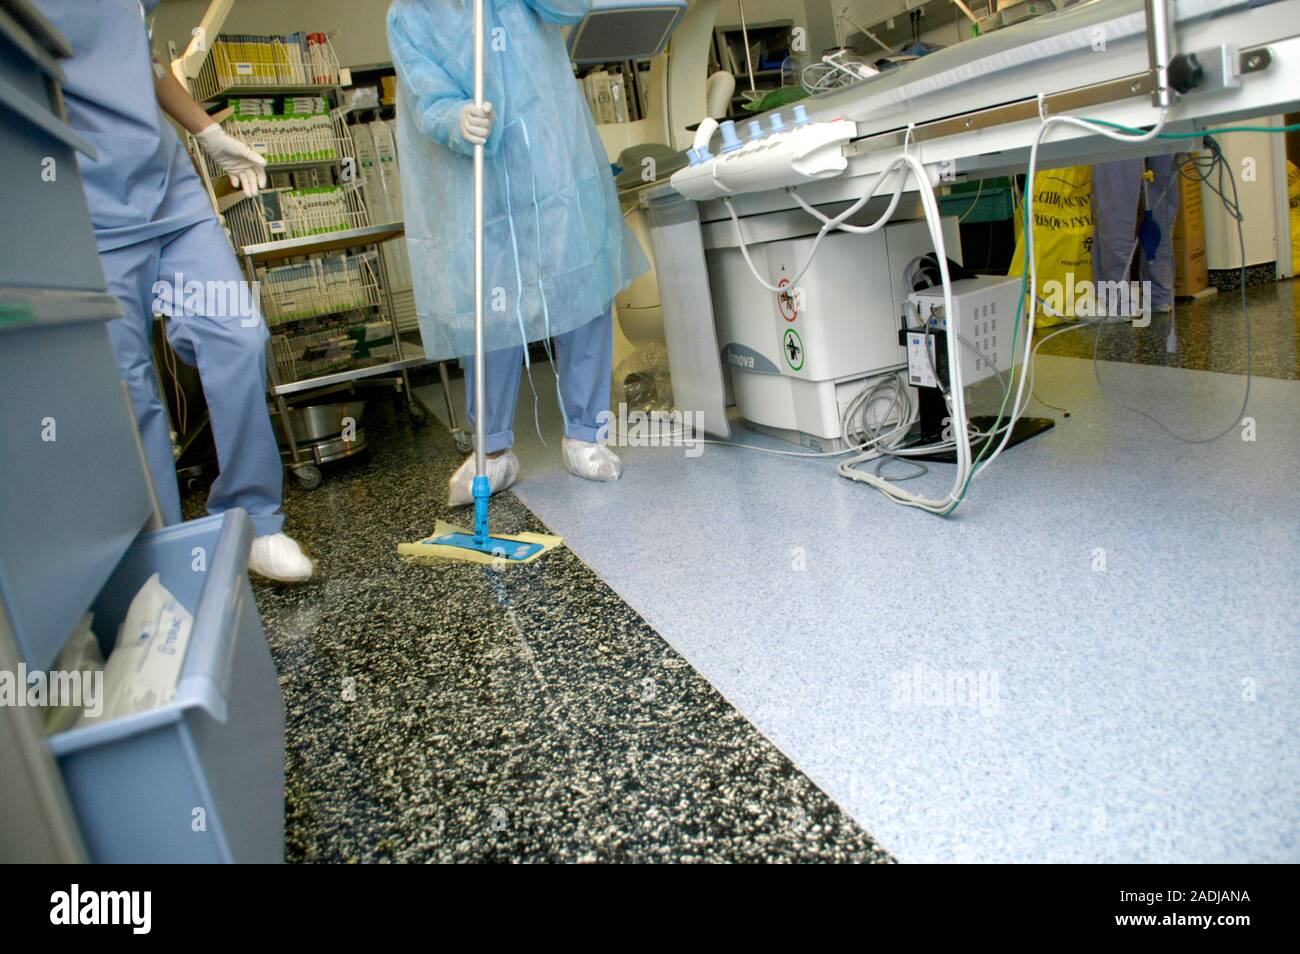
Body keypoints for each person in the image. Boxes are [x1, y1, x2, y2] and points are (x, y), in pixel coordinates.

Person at [35, 0, 313, 582]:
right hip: (88, 210)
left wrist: (207, 131)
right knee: (128, 387)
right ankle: (163, 553)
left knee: (239, 335)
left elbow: (142, 57)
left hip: (171, 196)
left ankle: (254, 519)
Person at [387, 0, 649, 505]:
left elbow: (570, 6)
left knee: (582, 283)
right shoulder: (411, 13)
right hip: (477, 175)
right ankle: (491, 450)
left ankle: (585, 433)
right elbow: (426, 95)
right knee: (489, 304)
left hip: (552, 157)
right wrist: (454, 119)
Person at [1091, 156, 1181, 315]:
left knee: (1116, 205)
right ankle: (1159, 294)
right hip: (1164, 132)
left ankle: (1117, 304)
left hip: (1118, 132)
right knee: (1162, 199)